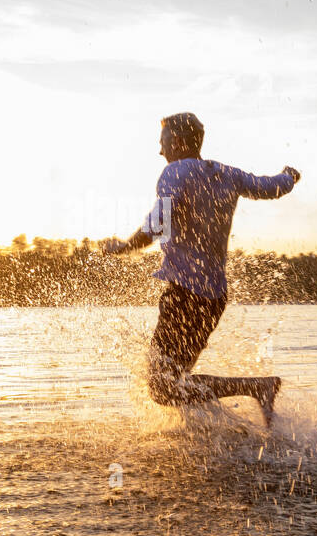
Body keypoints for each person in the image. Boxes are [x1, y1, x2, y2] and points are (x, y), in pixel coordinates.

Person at [102, 112, 300, 425]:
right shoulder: (227, 174)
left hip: (185, 295)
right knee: (176, 380)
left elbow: (160, 223)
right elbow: (270, 187)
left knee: (163, 387)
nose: (160, 151)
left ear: (178, 142)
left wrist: (123, 247)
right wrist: (289, 176)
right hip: (214, 299)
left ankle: (255, 387)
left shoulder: (174, 172)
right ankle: (210, 436)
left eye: (163, 143)